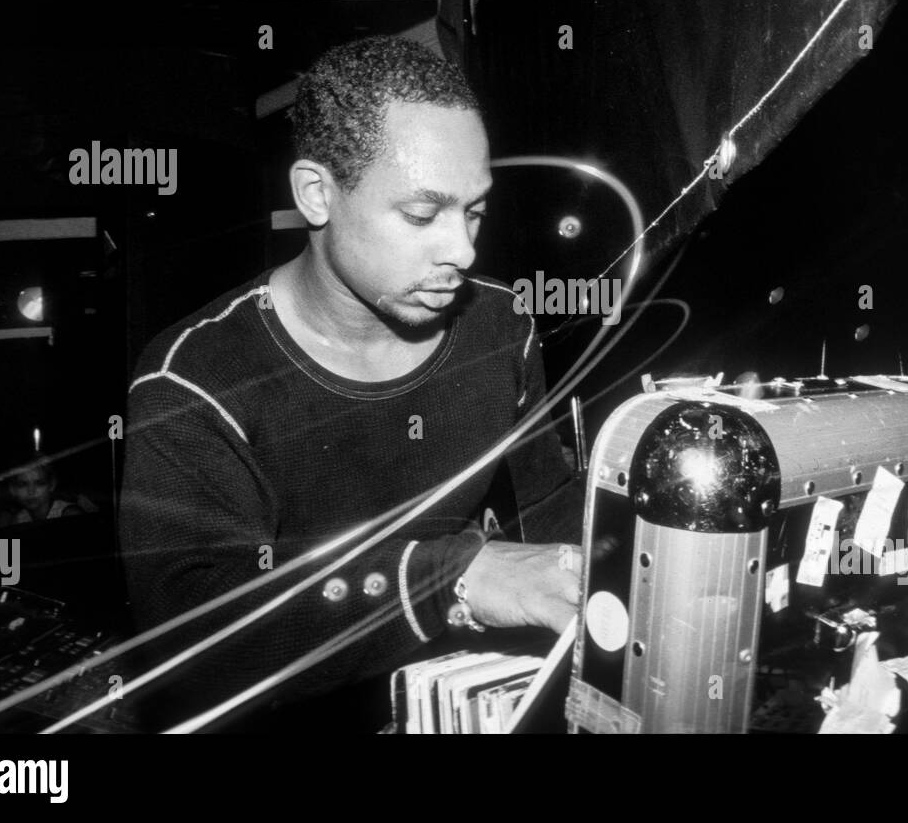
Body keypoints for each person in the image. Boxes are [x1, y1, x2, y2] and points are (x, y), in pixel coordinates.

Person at [118, 37, 583, 731]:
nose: (463, 250)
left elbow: (546, 506)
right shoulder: (196, 379)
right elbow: (193, 633)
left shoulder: (500, 325)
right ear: (316, 193)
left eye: (475, 211)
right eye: (422, 215)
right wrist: (451, 578)